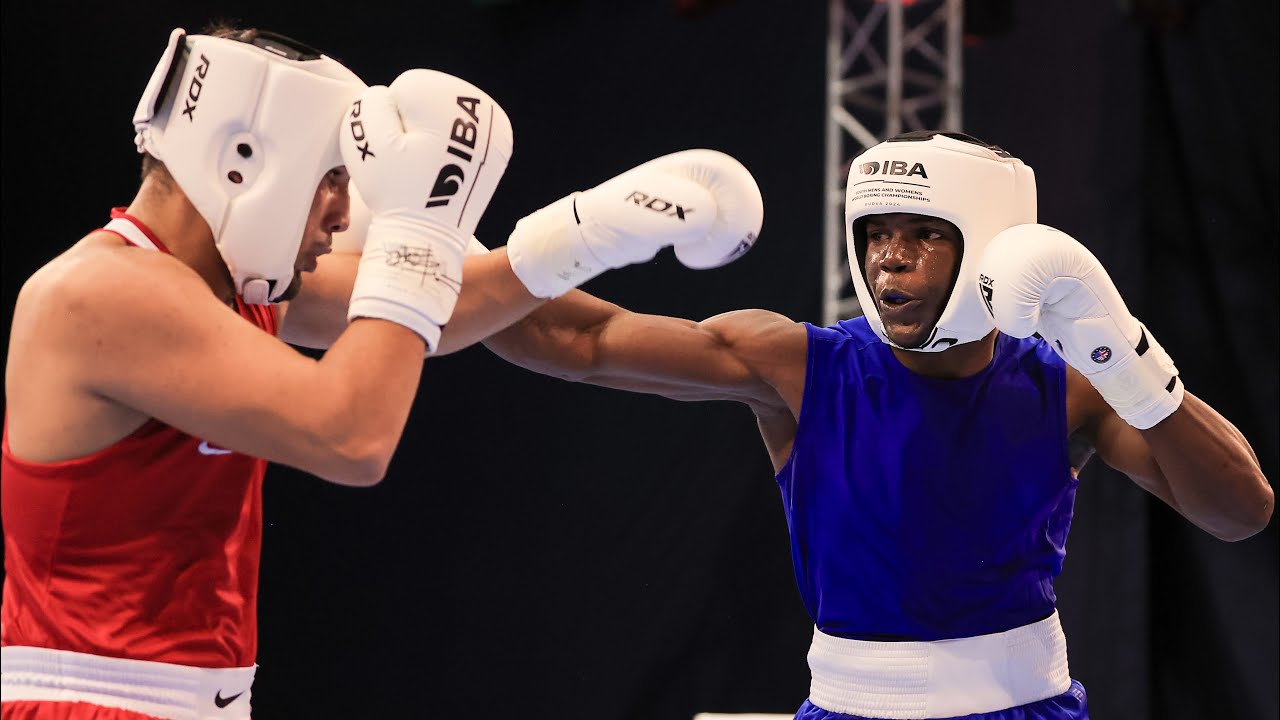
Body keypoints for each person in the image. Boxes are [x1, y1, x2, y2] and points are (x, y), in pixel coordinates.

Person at [470, 131, 1274, 719]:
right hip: (848, 707)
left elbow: (1241, 513)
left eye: (924, 232)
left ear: (994, 243)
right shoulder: (795, 364)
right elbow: (578, 339)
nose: (891, 258)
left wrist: (1127, 357)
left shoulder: (1068, 384)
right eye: (878, 232)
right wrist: (454, 254)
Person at [0, 25, 519, 719]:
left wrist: (591, 230)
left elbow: (445, 311)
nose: (343, 214)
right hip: (97, 698)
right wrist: (418, 232)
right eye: (331, 176)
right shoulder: (98, 293)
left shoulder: (238, 292)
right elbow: (352, 436)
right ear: (242, 158)